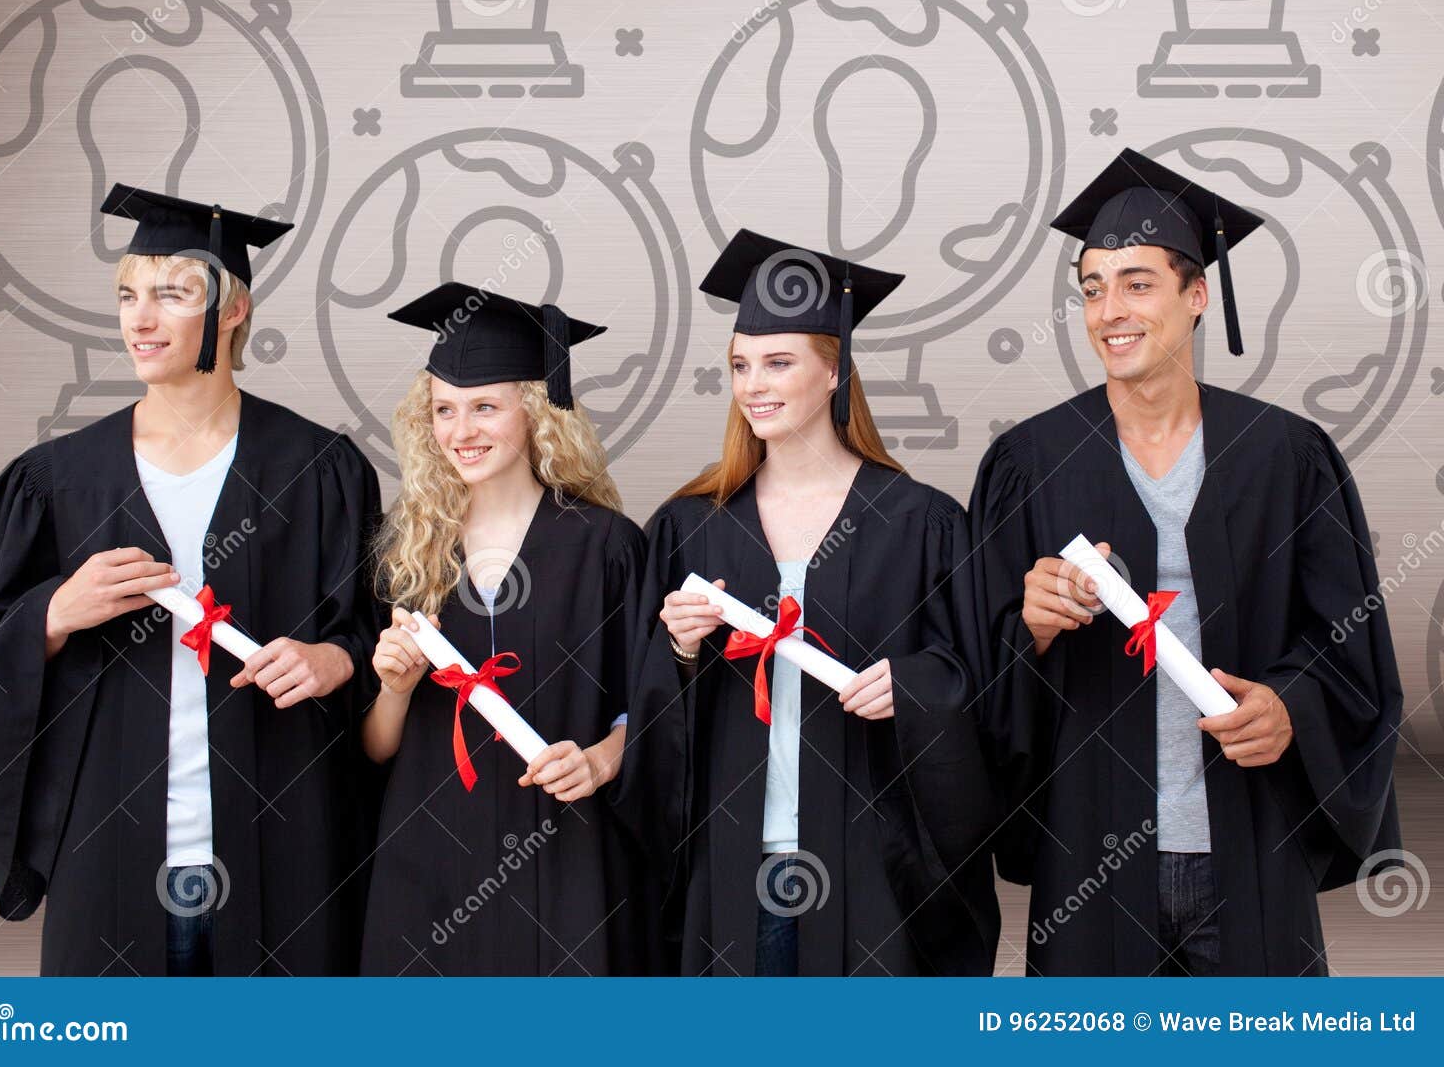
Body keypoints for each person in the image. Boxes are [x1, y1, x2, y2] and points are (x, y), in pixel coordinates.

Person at [969, 148, 1403, 975]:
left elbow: (1352, 654)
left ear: (1196, 295)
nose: (1108, 310)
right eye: (1092, 287)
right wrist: (1027, 628)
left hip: (1247, 848)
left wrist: (1291, 706)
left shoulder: (1285, 456)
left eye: (1137, 282)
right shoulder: (1031, 462)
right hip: (1089, 858)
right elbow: (972, 680)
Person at [0, 185, 382, 976]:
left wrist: (333, 659)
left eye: (171, 295)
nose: (139, 319)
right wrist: (51, 615)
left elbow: (380, 633)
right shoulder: (56, 481)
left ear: (232, 310)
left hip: (286, 849)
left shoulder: (319, 470)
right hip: (110, 851)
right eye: (127, 295)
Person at [616, 230, 999, 977]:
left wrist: (915, 686)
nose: (754, 383)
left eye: (778, 362)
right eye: (740, 365)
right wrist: (682, 650)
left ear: (834, 370)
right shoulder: (689, 526)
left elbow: (979, 686)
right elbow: (649, 723)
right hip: (732, 865)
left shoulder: (922, 522)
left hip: (873, 868)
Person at [359, 283, 663, 975]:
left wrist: (599, 760)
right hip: (429, 861)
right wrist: (396, 688)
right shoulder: (410, 547)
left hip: (569, 855)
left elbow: (649, 710)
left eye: (485, 407)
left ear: (535, 413)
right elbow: (376, 748)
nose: (461, 430)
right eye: (444, 409)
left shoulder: (606, 546)